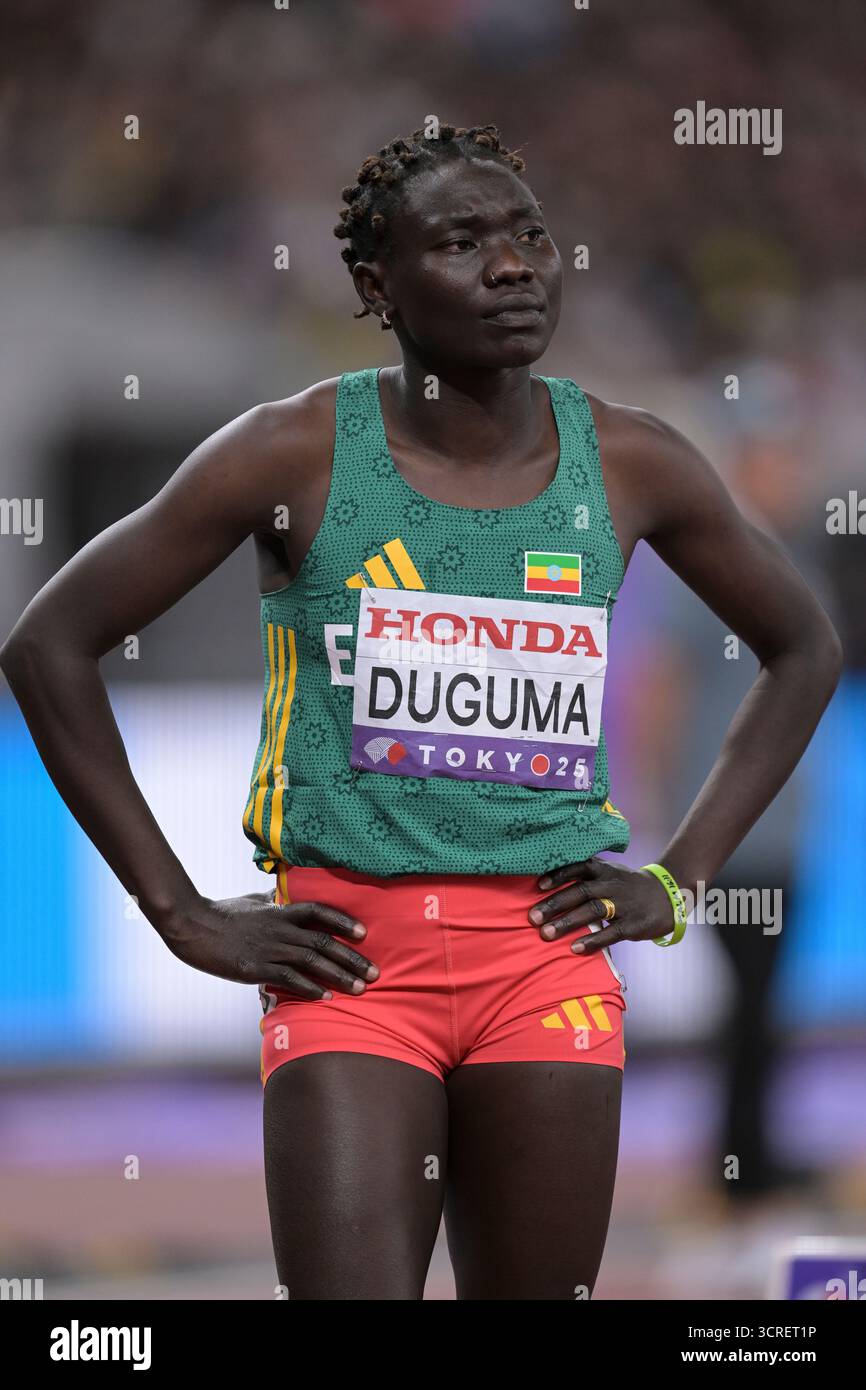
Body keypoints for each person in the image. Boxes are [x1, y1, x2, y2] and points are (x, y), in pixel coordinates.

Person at [0, 123, 842, 1300]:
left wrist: (678, 875)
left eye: (529, 235)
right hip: (351, 967)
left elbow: (801, 645)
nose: (512, 266)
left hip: (542, 960)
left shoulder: (632, 461)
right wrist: (177, 910)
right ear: (375, 285)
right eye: (461, 241)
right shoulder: (290, 452)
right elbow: (48, 644)